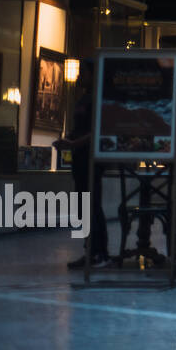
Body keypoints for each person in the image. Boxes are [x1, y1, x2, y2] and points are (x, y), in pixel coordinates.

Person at [55, 62, 109, 269]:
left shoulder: (97, 100)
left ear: (93, 75)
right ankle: (90, 250)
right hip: (79, 159)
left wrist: (74, 144)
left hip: (91, 159)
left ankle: (100, 253)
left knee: (92, 205)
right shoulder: (83, 99)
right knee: (84, 206)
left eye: (83, 73)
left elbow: (98, 130)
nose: (79, 77)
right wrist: (68, 140)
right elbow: (80, 128)